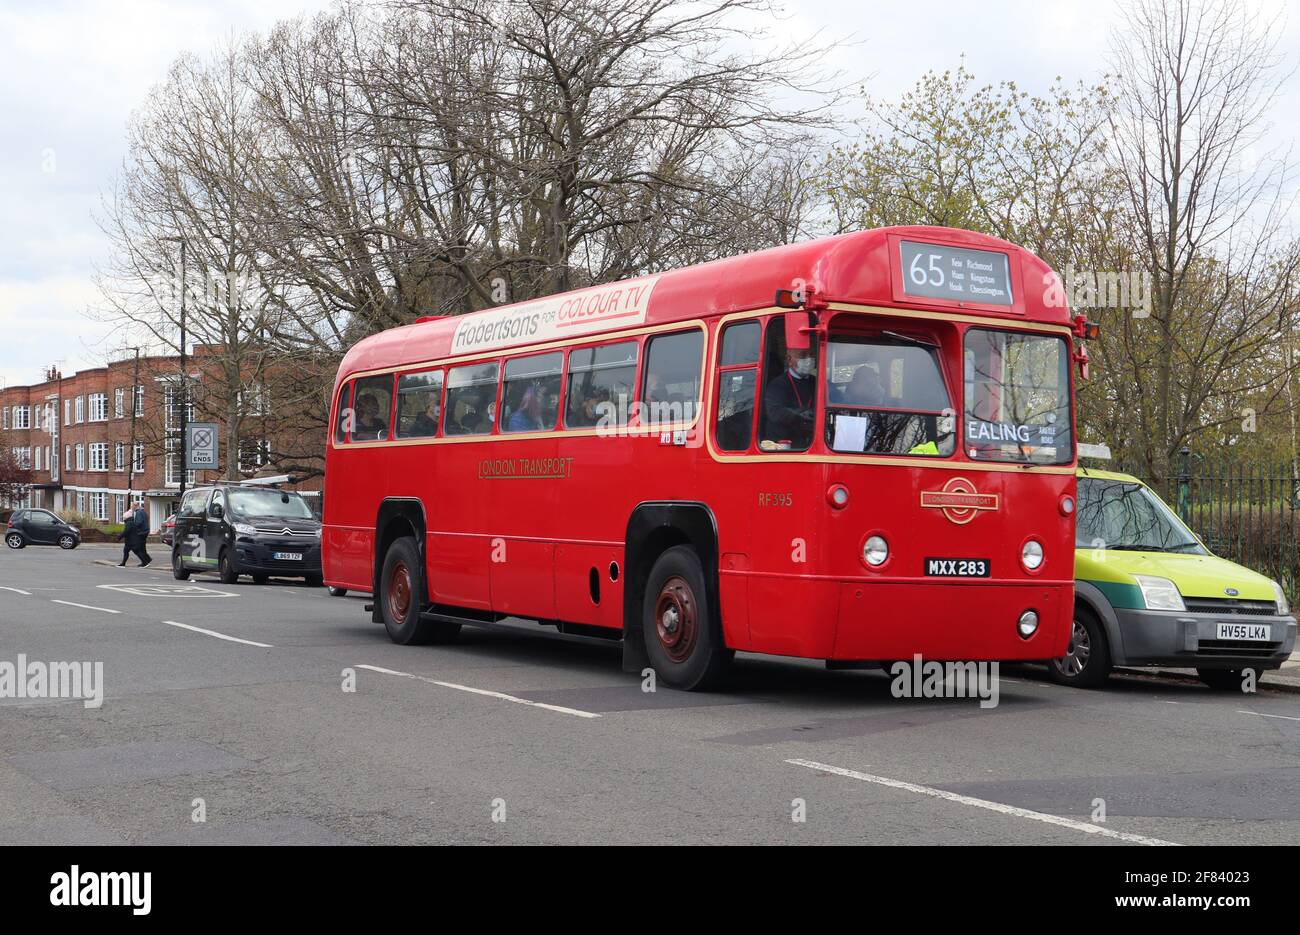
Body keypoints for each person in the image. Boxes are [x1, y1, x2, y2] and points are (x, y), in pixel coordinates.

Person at [761, 347, 817, 448]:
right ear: (789, 359)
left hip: (810, 443)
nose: (809, 359)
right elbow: (775, 412)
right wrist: (799, 415)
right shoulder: (777, 384)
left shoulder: (818, 383)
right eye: (803, 355)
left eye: (811, 355)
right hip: (782, 444)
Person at [122, 501, 151, 567]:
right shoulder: (143, 511)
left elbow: (139, 523)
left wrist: (133, 527)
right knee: (142, 547)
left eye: (132, 506)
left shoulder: (138, 512)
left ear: (135, 506)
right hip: (145, 531)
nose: (132, 508)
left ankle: (146, 561)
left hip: (141, 532)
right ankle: (146, 560)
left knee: (139, 547)